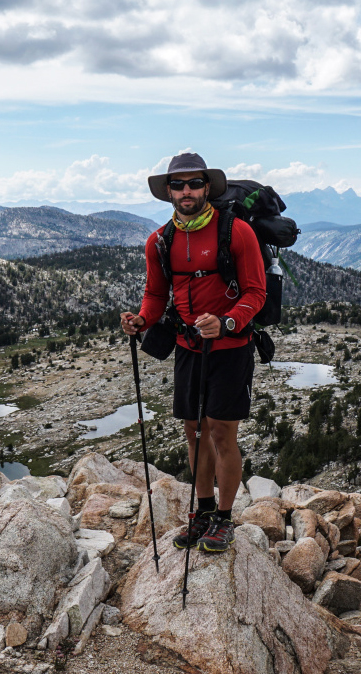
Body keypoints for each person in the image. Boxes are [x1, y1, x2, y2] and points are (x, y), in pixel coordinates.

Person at [120, 152, 266, 553]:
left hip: (231, 347)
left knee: (221, 432)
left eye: (195, 183)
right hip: (188, 346)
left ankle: (224, 519)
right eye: (178, 184)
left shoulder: (236, 232)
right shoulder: (160, 241)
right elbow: (155, 295)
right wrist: (142, 320)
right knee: (194, 431)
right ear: (168, 191)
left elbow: (256, 292)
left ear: (207, 188)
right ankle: (202, 512)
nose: (187, 191)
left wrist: (228, 322)